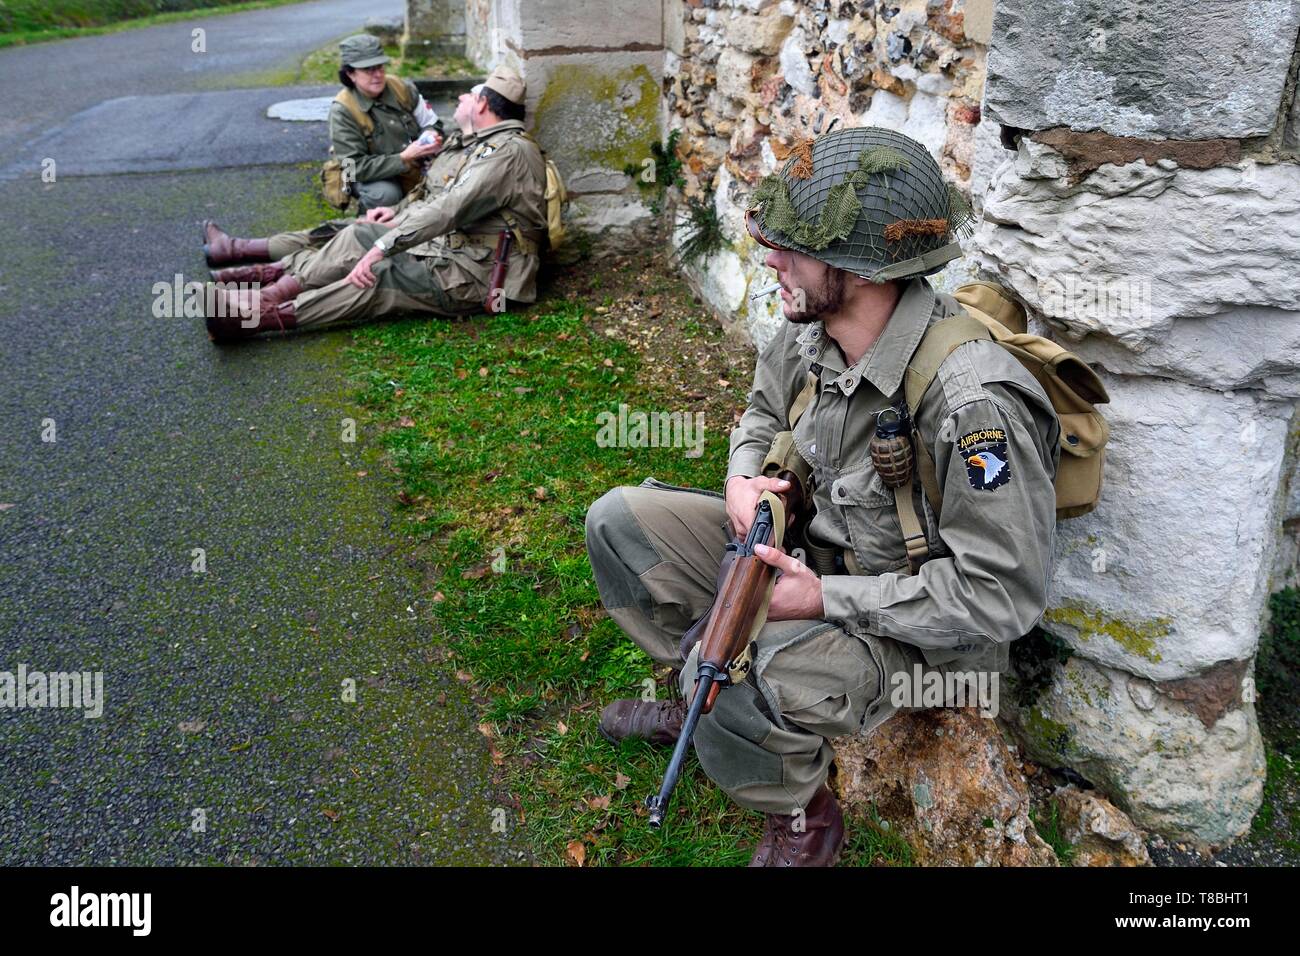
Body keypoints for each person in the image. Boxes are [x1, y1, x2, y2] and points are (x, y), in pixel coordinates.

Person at [583, 126, 1061, 866]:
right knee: (619, 524)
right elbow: (762, 410)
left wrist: (824, 602)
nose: (770, 258)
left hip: (911, 630)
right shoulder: (818, 326)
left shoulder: (973, 405)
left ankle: (803, 819)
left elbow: (1003, 595)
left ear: (862, 270)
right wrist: (745, 478)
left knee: (748, 667)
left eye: (793, 246)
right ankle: (699, 700)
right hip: (802, 559)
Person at [202, 65, 546, 341]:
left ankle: (256, 318)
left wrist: (384, 246)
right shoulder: (481, 144)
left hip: (479, 276)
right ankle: (264, 297)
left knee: (377, 275)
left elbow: (449, 208)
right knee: (357, 235)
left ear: (484, 104)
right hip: (453, 254)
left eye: (469, 94)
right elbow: (434, 196)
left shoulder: (509, 152)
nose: (459, 96)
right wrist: (393, 216)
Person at [201, 33, 442, 269]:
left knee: (356, 231)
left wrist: (431, 135)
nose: (377, 74)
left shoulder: (402, 89)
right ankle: (241, 251)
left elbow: (433, 122)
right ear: (350, 74)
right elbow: (352, 168)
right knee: (379, 203)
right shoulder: (343, 110)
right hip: (371, 177)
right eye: (368, 69)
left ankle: (234, 249)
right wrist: (404, 158)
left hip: (414, 176)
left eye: (379, 66)